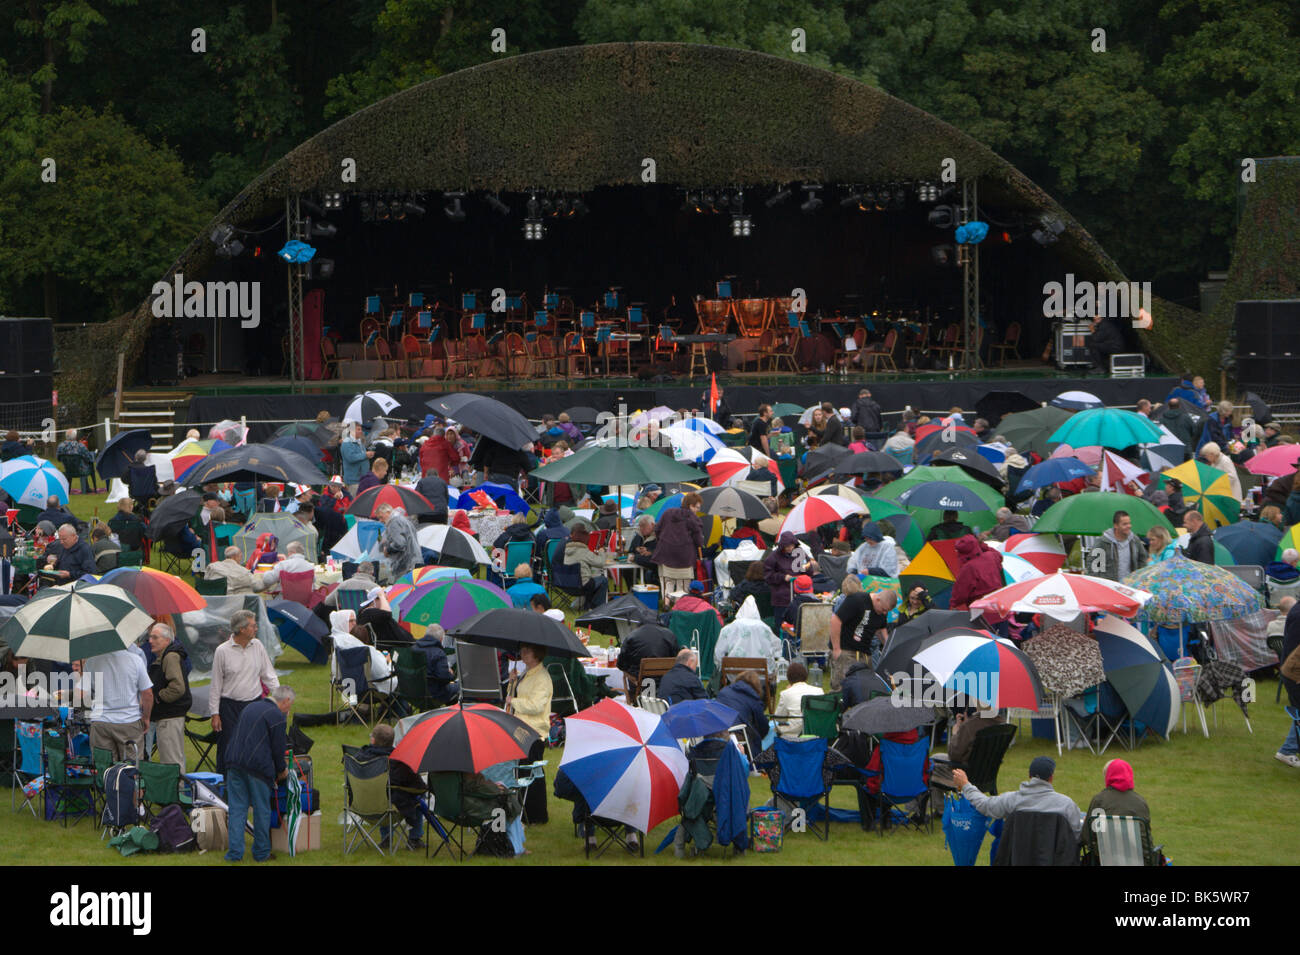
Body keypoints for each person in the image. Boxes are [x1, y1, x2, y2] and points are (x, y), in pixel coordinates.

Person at [224, 686, 294, 863]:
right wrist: (281, 771)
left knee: (237, 809)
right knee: (262, 810)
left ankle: (234, 854)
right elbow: (278, 750)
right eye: (290, 705)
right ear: (285, 701)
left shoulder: (251, 706)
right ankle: (262, 852)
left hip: (233, 761)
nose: (289, 710)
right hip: (256, 766)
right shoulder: (277, 717)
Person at [953, 756, 1083, 845]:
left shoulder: (1011, 800)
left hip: (1018, 859)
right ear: (1051, 778)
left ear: (1029, 776)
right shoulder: (1066, 805)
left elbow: (985, 805)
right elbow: (1077, 837)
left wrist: (966, 785)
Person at [210, 609, 279, 772]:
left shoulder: (258, 646)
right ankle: (225, 784)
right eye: (253, 626)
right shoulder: (222, 651)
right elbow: (216, 684)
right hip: (229, 707)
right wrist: (215, 713)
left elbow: (269, 675)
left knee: (255, 744)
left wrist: (280, 699)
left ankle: (252, 779)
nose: (256, 629)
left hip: (254, 704)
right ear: (241, 629)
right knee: (227, 745)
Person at [355, 722, 432, 850]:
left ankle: (386, 839)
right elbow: (418, 786)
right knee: (417, 795)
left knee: (386, 793)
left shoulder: (359, 757)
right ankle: (414, 838)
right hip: (387, 807)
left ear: (373, 740)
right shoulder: (399, 761)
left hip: (360, 804)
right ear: (392, 742)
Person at [83, 646, 154, 761]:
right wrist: (146, 717)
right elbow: (147, 694)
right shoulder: (135, 660)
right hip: (129, 721)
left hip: (101, 722)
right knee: (130, 770)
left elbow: (85, 693)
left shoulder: (91, 662)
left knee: (104, 768)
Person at [506, 643, 552, 824]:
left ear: (537, 654)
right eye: (522, 650)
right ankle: (526, 812)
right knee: (523, 771)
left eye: (527, 651)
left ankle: (537, 815)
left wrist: (514, 701)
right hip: (521, 728)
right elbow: (512, 697)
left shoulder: (542, 677)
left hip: (534, 730)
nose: (523, 654)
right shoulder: (527, 673)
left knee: (532, 773)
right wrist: (512, 682)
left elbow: (536, 706)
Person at [145, 623, 192, 770]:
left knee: (171, 761)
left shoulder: (170, 656)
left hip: (170, 717)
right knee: (171, 758)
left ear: (167, 640)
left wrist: (158, 698)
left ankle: (176, 791)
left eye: (155, 637)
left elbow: (177, 687)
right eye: (150, 637)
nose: (150, 641)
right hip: (167, 716)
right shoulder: (164, 656)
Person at [830, 588, 896, 690]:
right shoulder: (857, 600)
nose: (884, 613)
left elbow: (880, 630)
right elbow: (835, 621)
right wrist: (836, 648)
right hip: (846, 649)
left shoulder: (882, 612)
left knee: (865, 688)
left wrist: (889, 647)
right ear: (878, 599)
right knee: (842, 687)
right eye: (883, 609)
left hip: (865, 653)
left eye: (886, 611)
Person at [929, 706, 1006, 790]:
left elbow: (954, 755)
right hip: (987, 774)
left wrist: (956, 733)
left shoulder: (972, 725)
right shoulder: (1001, 723)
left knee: (932, 764)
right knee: (936, 757)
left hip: (967, 775)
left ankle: (938, 803)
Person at [329, 609, 396, 695]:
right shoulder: (365, 650)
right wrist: (388, 662)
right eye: (350, 621)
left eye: (355, 620)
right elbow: (382, 673)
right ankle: (399, 708)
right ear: (342, 623)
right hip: (369, 689)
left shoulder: (339, 645)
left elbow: (336, 672)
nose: (354, 623)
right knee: (397, 683)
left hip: (347, 687)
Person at [653, 492, 705, 599]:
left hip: (665, 554)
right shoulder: (694, 519)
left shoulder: (667, 513)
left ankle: (666, 606)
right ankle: (681, 606)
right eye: (697, 508)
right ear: (691, 506)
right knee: (684, 587)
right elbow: (699, 542)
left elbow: (657, 530)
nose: (697, 511)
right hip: (685, 558)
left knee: (667, 584)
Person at [764, 531, 818, 623]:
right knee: (782, 625)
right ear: (782, 546)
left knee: (800, 624)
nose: (790, 548)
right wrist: (783, 577)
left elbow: (809, 571)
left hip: (801, 596)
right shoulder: (773, 556)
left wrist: (805, 568)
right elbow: (768, 576)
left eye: (792, 545)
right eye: (787, 546)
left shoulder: (800, 553)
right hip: (782, 598)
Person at [715, 670, 769, 755]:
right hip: (737, 735)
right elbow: (763, 727)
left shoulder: (724, 691)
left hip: (716, 731)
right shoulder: (753, 699)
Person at [950, 535, 1004, 611]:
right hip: (1000, 606)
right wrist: (982, 546)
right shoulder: (990, 556)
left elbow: (960, 594)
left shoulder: (967, 568)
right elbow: (999, 556)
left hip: (981, 611)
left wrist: (953, 604)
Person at [1085, 758, 1150, 822]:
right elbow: (1146, 831)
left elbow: (1088, 831)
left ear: (1108, 777)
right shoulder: (1141, 802)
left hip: (1107, 832)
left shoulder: (1099, 800)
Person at [1092, 510, 1149, 581]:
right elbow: (1093, 565)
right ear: (1116, 525)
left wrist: (1139, 576)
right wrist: (1099, 582)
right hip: (1109, 585)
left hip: (1130, 585)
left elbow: (1143, 558)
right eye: (1124, 524)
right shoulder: (1103, 542)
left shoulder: (1134, 540)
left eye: (1129, 523)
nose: (1129, 526)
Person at [617, 623, 678, 688]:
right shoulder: (670, 635)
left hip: (639, 686)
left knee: (627, 673)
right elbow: (677, 660)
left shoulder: (632, 636)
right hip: (664, 686)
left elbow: (621, 664)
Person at [774, 661, 824, 739]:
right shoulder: (819, 691)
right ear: (806, 676)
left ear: (788, 678)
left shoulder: (786, 693)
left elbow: (779, 718)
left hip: (793, 735)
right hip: (816, 733)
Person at [564, 526, 609, 608]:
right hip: (581, 586)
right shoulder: (584, 551)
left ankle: (587, 604)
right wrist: (602, 552)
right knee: (603, 580)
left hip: (566, 585)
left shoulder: (566, 550)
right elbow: (601, 563)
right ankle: (597, 606)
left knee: (590, 579)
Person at [376, 503, 421, 579]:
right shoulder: (403, 520)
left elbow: (400, 544)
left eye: (381, 517)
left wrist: (387, 549)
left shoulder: (394, 523)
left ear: (388, 512)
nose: (380, 520)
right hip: (414, 561)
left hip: (405, 564)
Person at [58, 429, 96, 494]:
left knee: (82, 465)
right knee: (85, 465)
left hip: (68, 470)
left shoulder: (60, 446)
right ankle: (86, 489)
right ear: (75, 437)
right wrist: (93, 454)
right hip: (81, 470)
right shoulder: (80, 446)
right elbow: (89, 458)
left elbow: (58, 458)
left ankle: (86, 488)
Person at [627, 515, 659, 585]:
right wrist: (637, 550)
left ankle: (649, 593)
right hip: (639, 563)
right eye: (640, 526)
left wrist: (647, 551)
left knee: (649, 574)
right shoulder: (638, 536)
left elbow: (655, 556)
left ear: (652, 525)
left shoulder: (658, 537)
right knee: (626, 570)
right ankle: (632, 590)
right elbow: (631, 550)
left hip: (652, 567)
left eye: (644, 526)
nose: (641, 528)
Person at [340, 422, 372, 492]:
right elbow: (351, 458)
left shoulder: (360, 442)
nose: (361, 431)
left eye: (361, 429)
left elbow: (361, 456)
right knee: (354, 501)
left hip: (362, 479)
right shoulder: (346, 443)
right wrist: (365, 455)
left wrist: (368, 455)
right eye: (358, 429)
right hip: (353, 481)